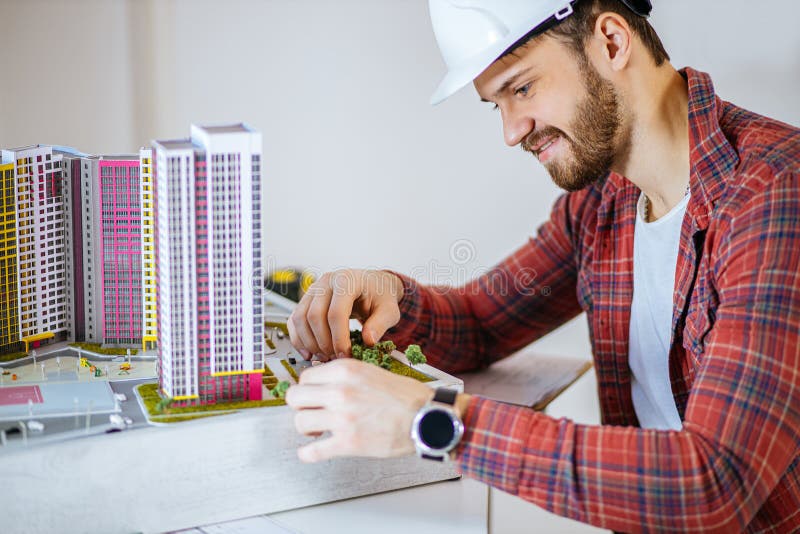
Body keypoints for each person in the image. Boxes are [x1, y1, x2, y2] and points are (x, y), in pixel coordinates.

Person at [284, 1, 800, 531]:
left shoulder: (774, 192)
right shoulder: (602, 206)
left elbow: (715, 484)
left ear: (612, 42)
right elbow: (481, 324)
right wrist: (385, 291)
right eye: (496, 105)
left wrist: (434, 420)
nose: (512, 131)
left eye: (522, 88)